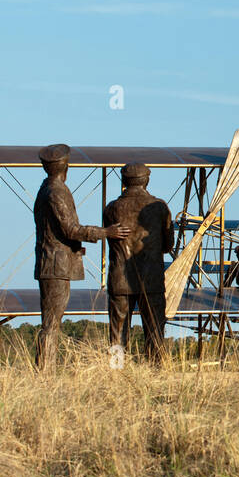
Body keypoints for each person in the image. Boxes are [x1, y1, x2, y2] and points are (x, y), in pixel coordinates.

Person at [33, 144, 129, 370]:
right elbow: (71, 229)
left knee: (51, 321)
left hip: (52, 262)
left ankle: (45, 368)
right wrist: (106, 232)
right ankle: (44, 370)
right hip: (56, 264)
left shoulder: (47, 188)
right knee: (51, 323)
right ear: (65, 166)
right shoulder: (56, 192)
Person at [103, 163, 174, 364]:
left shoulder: (111, 208)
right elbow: (168, 245)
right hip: (151, 279)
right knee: (155, 330)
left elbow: (110, 240)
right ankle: (156, 368)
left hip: (120, 278)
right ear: (147, 180)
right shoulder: (160, 207)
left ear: (124, 182)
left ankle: (116, 370)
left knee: (117, 332)